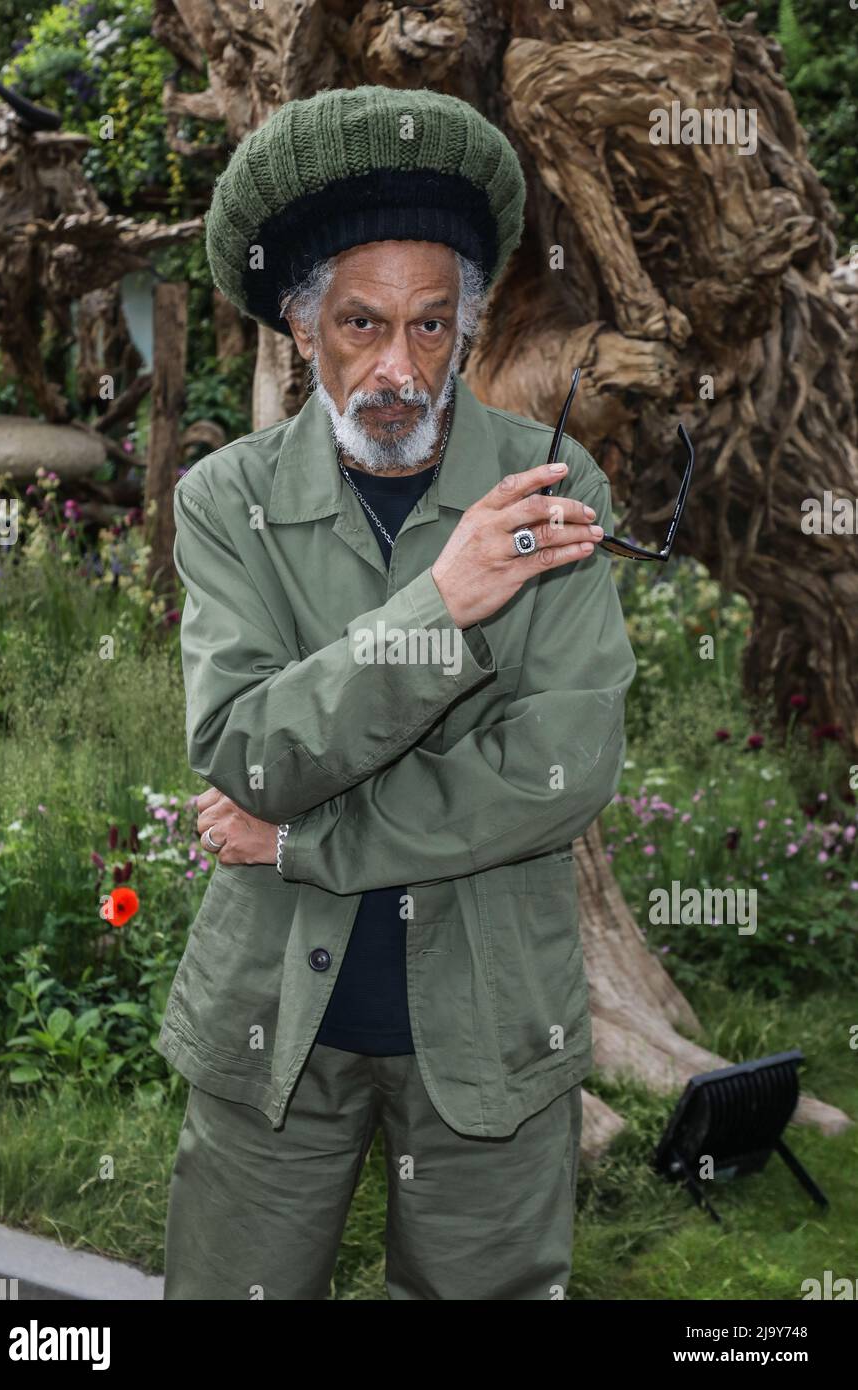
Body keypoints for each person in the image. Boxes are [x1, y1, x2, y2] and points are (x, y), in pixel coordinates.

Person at [158, 84, 637, 1300]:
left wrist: (309, 837)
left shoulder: (550, 480)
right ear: (300, 328)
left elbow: (557, 773)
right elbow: (243, 750)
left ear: (469, 329)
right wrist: (447, 596)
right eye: (360, 325)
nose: (395, 367)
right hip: (272, 1017)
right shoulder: (227, 499)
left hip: (488, 1026)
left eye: (431, 327)